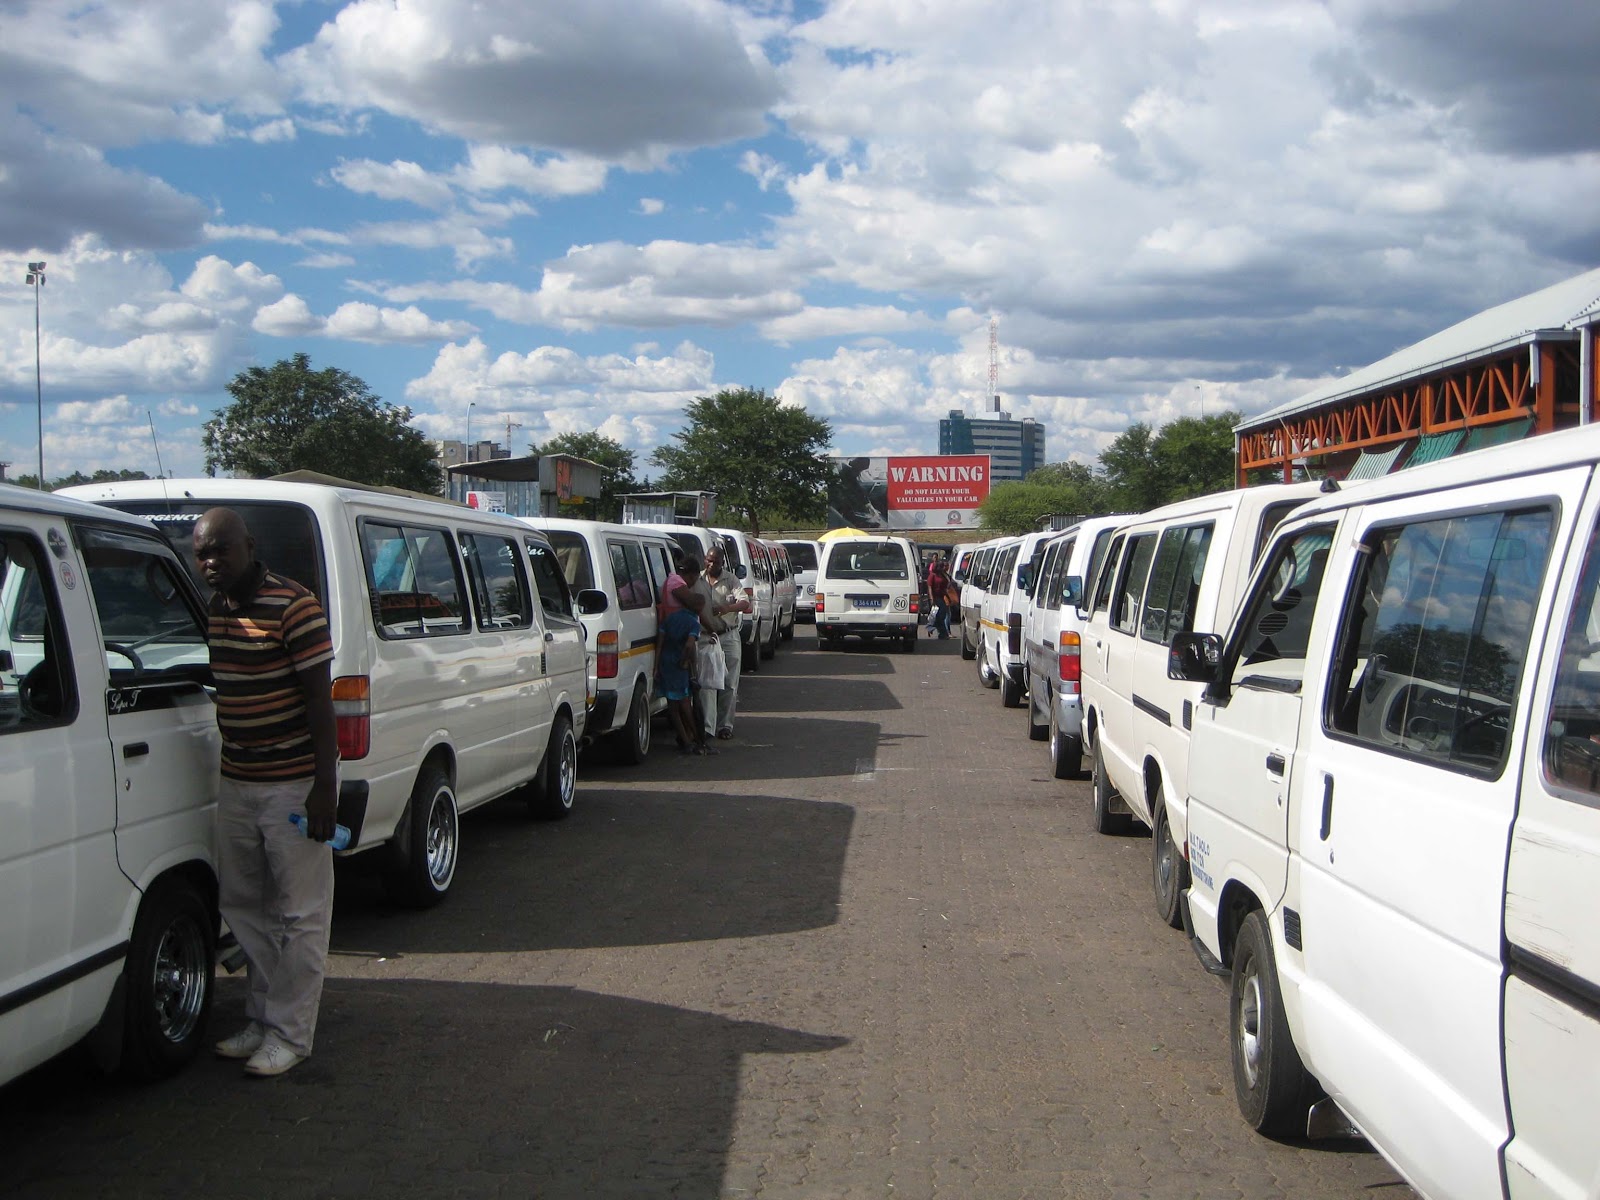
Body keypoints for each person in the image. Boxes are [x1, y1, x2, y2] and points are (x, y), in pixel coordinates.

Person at [193, 507, 339, 1079]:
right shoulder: (217, 608)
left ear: (248, 546)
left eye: (220, 550)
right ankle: (261, 1017)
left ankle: (290, 1034)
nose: (210, 562)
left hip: (292, 786)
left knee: (300, 914)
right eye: (202, 552)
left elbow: (319, 703)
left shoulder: (295, 606)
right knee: (244, 908)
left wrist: (325, 789)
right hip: (238, 781)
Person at [657, 556, 709, 754]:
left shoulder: (668, 619)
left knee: (673, 704)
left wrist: (655, 667)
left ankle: (687, 739)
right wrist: (686, 661)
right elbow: (689, 645)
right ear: (692, 575)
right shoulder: (690, 621)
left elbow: (660, 643)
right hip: (680, 659)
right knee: (686, 702)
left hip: (667, 658)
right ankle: (694, 740)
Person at [703, 547, 751, 739]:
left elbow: (745, 602)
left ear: (722, 562)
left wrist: (726, 608)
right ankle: (708, 727)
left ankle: (725, 726)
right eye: (708, 560)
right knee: (707, 684)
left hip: (728, 635)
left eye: (715, 561)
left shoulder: (730, 580)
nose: (711, 564)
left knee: (729, 683)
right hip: (707, 637)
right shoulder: (698, 580)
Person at [926, 552, 953, 639]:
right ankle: (939, 631)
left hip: (941, 597)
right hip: (935, 598)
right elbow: (930, 587)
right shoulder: (932, 576)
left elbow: (945, 588)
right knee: (939, 615)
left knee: (941, 615)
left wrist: (948, 598)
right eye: (941, 567)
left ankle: (939, 632)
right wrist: (932, 599)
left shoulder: (943, 576)